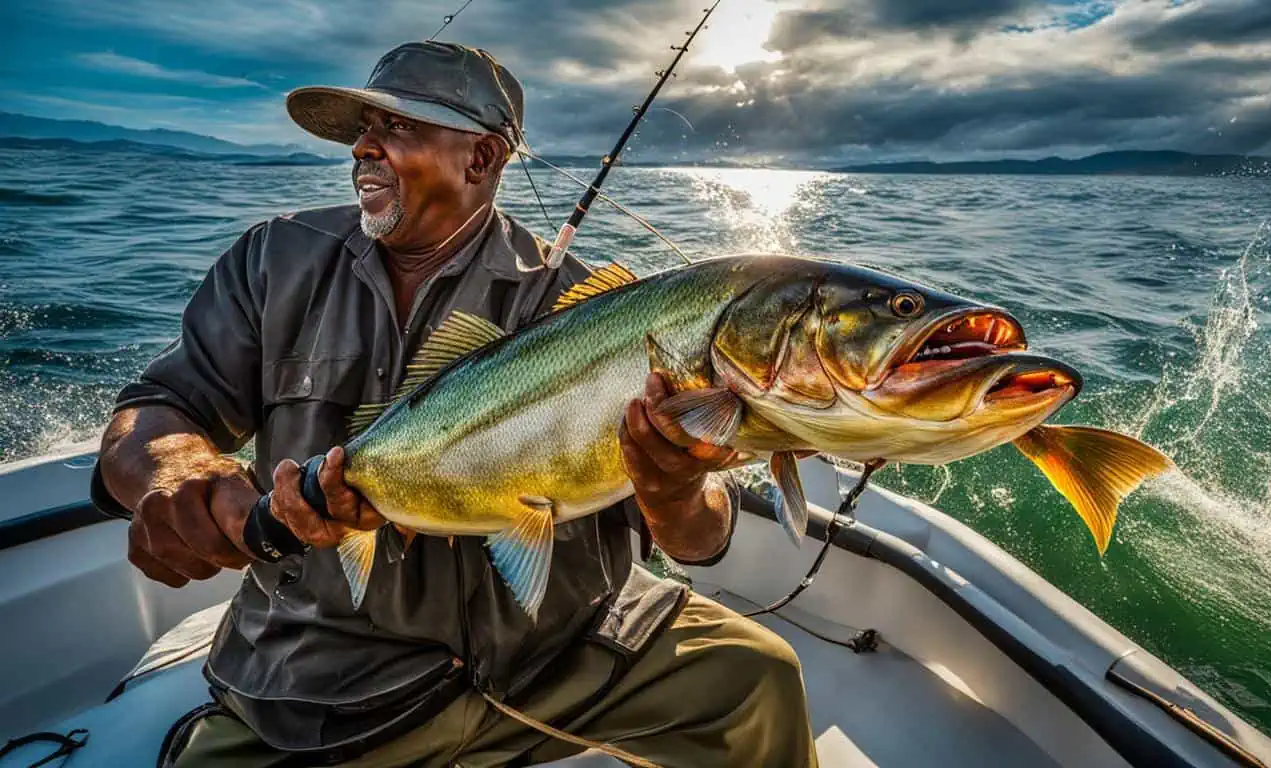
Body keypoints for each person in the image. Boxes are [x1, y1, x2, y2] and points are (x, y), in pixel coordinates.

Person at [91, 41, 817, 767]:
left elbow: (696, 540)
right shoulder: (273, 261)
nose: (364, 148)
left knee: (760, 680)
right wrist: (173, 470)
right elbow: (157, 406)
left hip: (562, 651)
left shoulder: (586, 306)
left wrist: (678, 486)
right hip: (319, 678)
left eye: (398, 128)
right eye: (362, 130)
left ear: (482, 159)